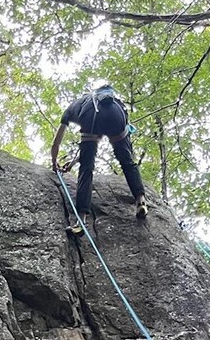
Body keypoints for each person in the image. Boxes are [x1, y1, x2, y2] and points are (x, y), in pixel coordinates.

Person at [50, 84, 147, 235]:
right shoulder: (115, 102)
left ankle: (80, 221)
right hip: (117, 116)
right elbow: (101, 134)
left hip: (90, 119)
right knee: (127, 162)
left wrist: (54, 160)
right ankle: (141, 200)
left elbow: (58, 141)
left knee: (86, 169)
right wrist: (74, 161)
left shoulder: (74, 107)